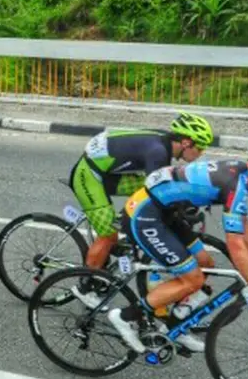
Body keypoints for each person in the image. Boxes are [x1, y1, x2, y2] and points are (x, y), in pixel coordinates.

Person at [107, 130, 248, 354]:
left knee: (205, 263)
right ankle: (124, 316)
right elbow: (235, 243)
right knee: (193, 279)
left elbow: (242, 221)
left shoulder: (240, 175)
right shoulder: (234, 182)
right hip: (145, 215)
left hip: (166, 211)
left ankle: (176, 324)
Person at [69, 112, 215, 305]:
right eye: (200, 148)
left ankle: (120, 235)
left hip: (106, 169)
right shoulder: (158, 153)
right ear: (187, 143)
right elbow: (158, 193)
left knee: (143, 192)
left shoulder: (164, 146)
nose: (201, 154)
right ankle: (85, 287)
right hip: (88, 175)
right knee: (108, 234)